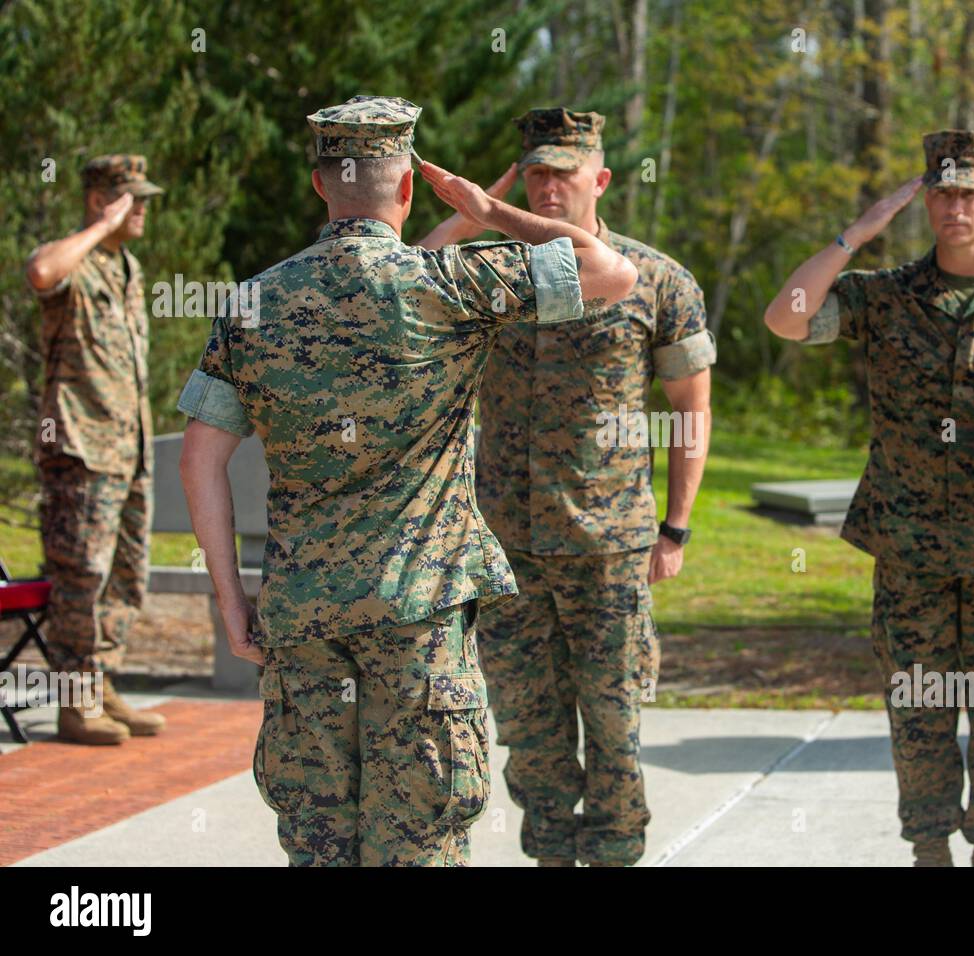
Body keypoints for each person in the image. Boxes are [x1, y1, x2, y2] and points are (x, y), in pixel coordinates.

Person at [177, 95, 636, 866]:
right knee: (418, 845)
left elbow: (200, 458)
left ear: (320, 185)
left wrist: (231, 599)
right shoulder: (448, 286)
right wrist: (493, 211)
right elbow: (611, 271)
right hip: (417, 617)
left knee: (320, 845)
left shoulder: (252, 302)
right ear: (410, 189)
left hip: (302, 619)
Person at [764, 130, 974, 866]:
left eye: (968, 193)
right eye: (941, 192)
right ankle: (929, 851)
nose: (954, 206)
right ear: (926, 200)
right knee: (918, 713)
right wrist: (852, 235)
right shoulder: (885, 296)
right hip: (912, 555)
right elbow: (785, 317)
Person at [425, 107, 715, 866]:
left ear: (601, 180)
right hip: (506, 547)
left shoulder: (658, 280)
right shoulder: (490, 274)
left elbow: (691, 410)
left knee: (615, 727)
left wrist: (676, 528)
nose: (550, 186)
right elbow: (402, 278)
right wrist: (474, 213)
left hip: (608, 544)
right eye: (536, 173)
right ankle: (551, 854)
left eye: (564, 172)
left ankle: (616, 853)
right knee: (529, 727)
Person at [25, 154, 167, 745]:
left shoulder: (128, 269)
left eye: (143, 199)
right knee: (81, 578)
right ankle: (74, 704)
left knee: (126, 578)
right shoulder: (77, 265)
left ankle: (101, 685)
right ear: (97, 200)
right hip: (80, 448)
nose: (141, 209)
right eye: (129, 198)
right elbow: (38, 271)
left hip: (128, 450)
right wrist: (100, 228)